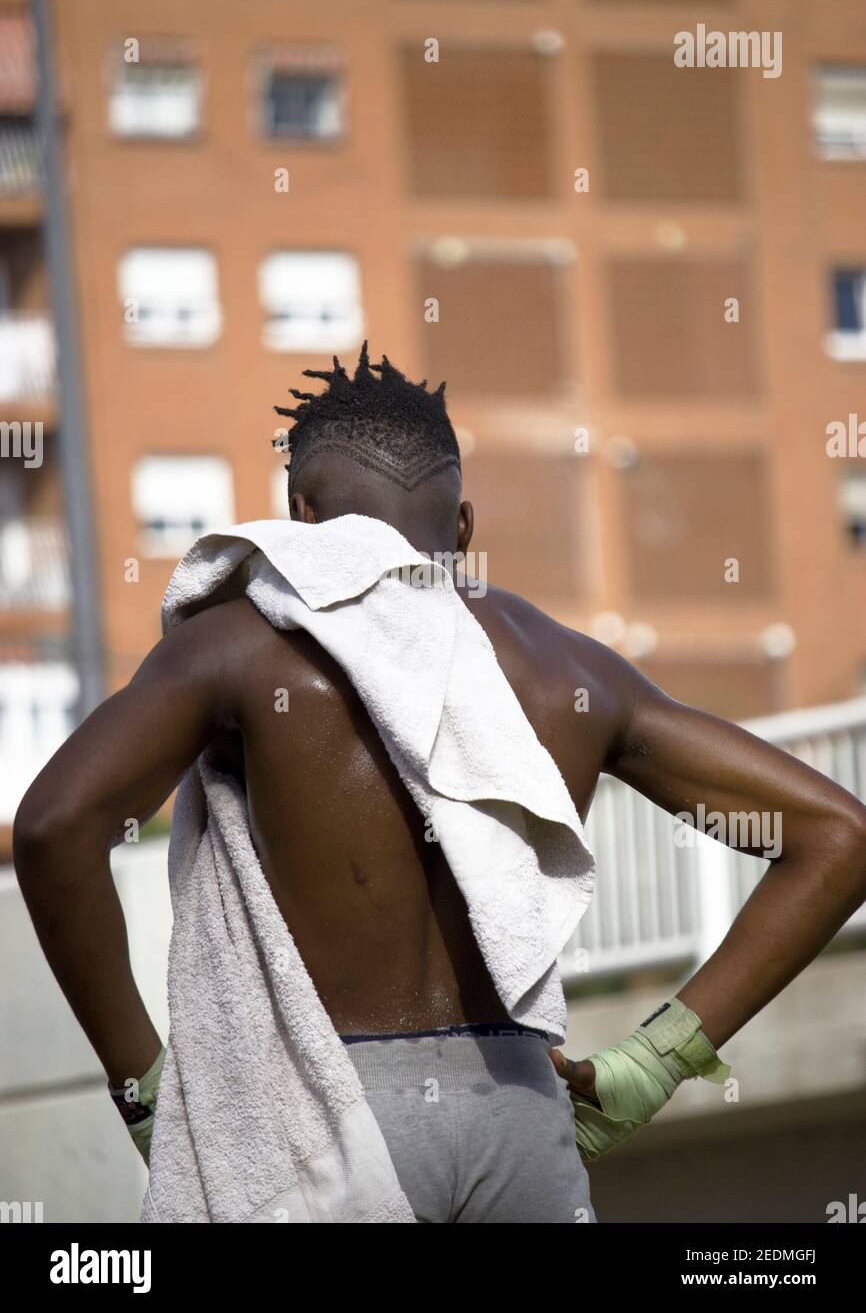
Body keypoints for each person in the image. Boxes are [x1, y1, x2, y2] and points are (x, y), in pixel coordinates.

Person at [13, 346, 866, 1223]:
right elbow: (837, 837)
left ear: (300, 517)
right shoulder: (571, 674)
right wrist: (650, 1067)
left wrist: (146, 1090)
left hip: (323, 1124)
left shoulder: (235, 648)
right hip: (522, 1123)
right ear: (462, 528)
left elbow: (52, 827)